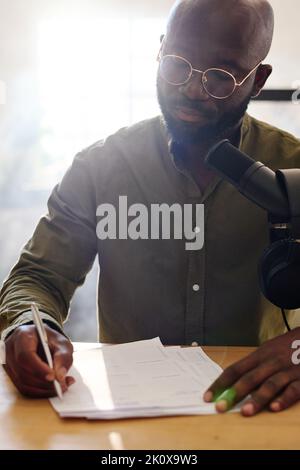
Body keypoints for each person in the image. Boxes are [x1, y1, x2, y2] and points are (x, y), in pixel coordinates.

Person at [1, 0, 300, 416]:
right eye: (177, 64)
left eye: (220, 76)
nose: (192, 90)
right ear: (159, 51)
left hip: (259, 406)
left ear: (258, 79)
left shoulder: (294, 167)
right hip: (130, 414)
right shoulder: (99, 166)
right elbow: (39, 275)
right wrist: (30, 325)